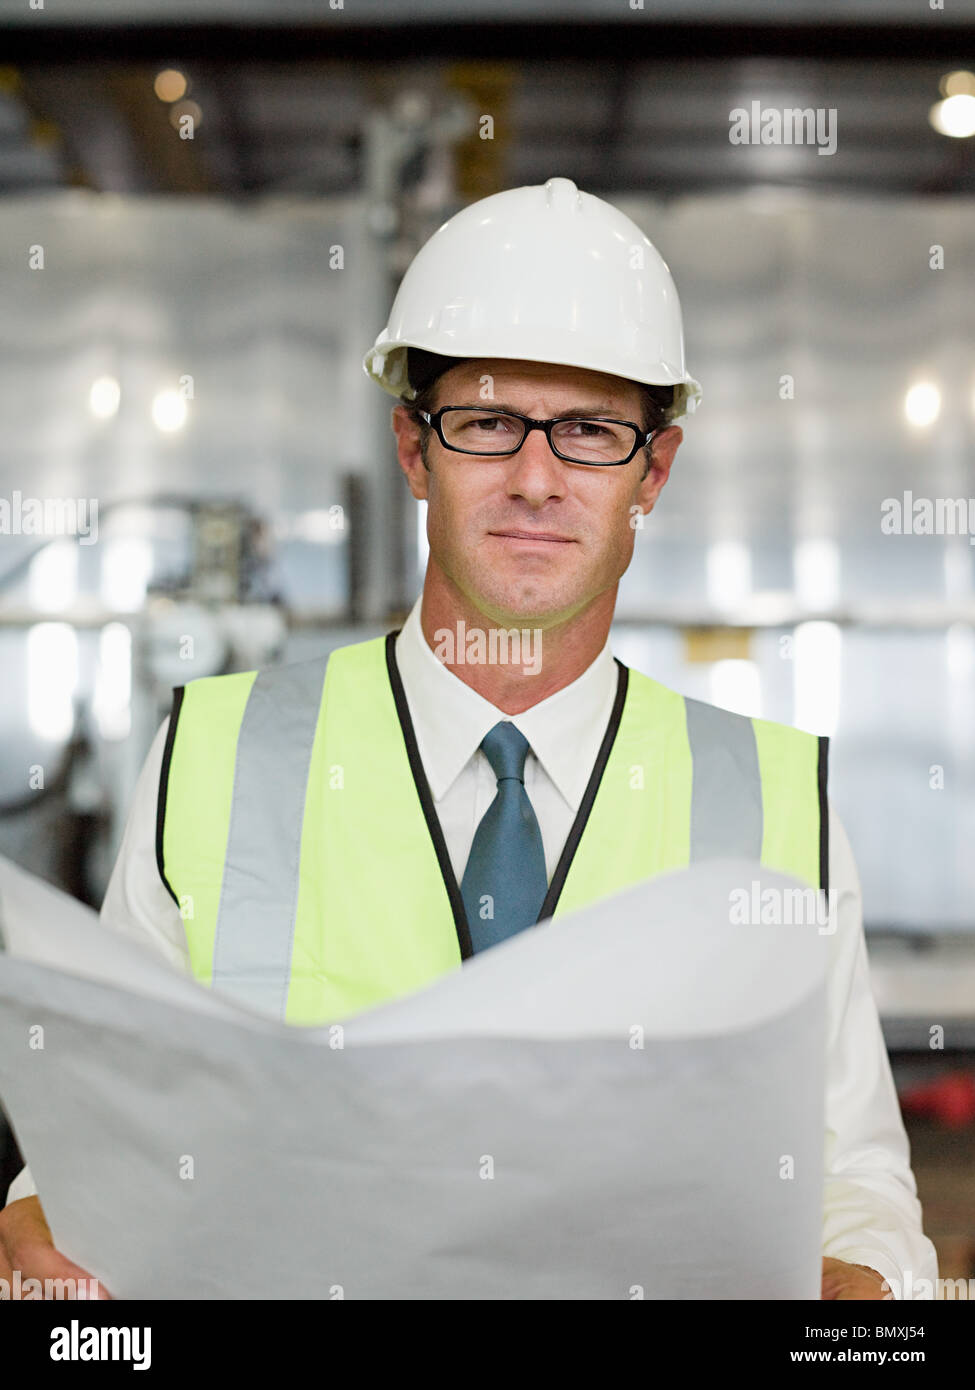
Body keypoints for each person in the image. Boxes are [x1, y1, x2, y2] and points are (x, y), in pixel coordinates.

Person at [1, 178, 937, 1300]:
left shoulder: (777, 800)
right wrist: (38, 1224)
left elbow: (857, 1185)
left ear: (656, 469)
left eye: (589, 431)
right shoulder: (214, 756)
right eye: (490, 423)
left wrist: (861, 1295)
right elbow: (107, 1144)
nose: (535, 479)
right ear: (413, 450)